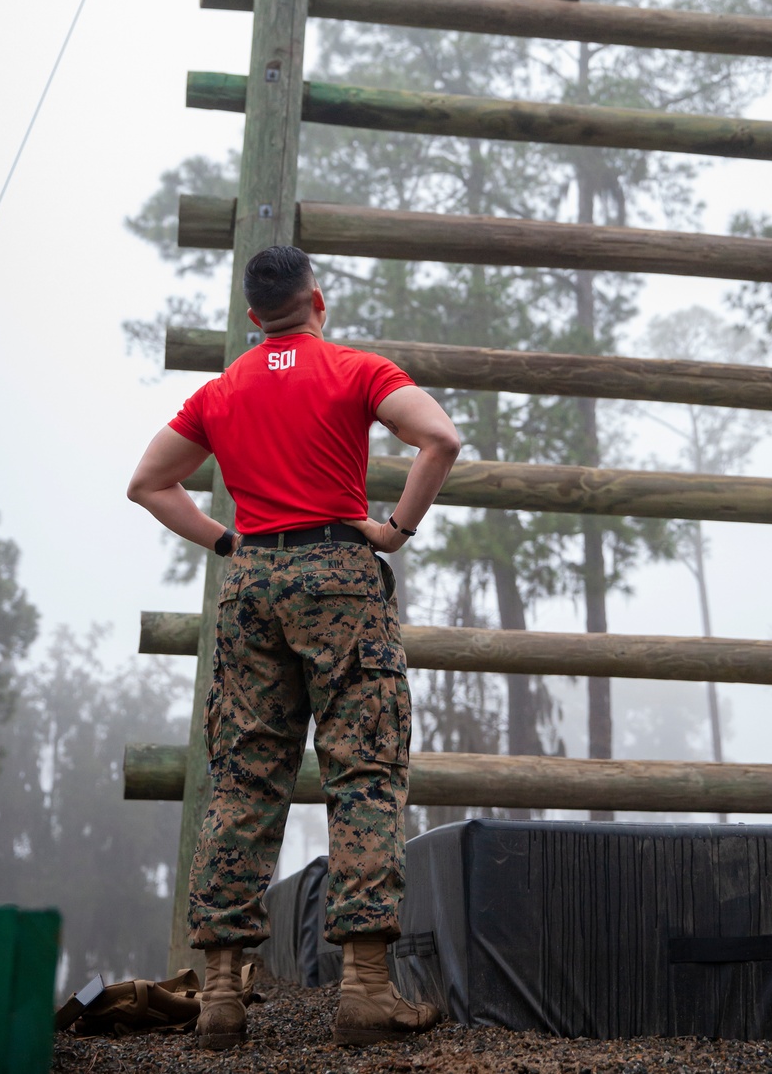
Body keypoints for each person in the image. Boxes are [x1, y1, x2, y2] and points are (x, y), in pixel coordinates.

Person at [127, 245, 461, 1050]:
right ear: (319, 299)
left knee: (243, 778)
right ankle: (366, 991)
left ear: (253, 316)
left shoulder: (220, 391)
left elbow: (147, 484)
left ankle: (219, 998)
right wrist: (396, 529)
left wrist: (225, 542)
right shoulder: (357, 370)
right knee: (363, 771)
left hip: (251, 585)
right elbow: (441, 439)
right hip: (340, 573)